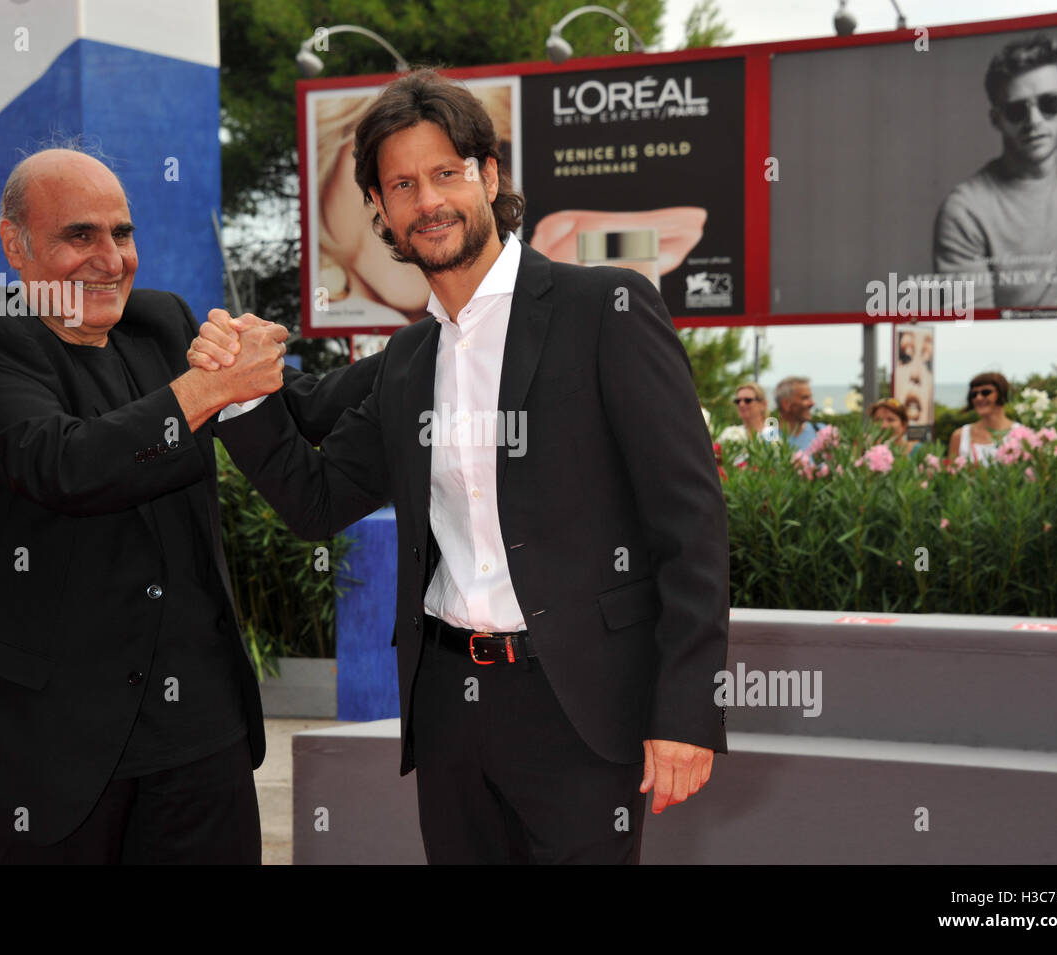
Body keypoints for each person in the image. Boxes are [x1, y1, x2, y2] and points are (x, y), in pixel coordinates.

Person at [193, 69, 729, 865]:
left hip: (578, 702)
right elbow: (317, 497)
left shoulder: (604, 310)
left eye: (447, 172)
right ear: (378, 207)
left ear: (490, 175)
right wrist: (234, 397)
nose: (428, 200)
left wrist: (687, 709)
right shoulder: (409, 359)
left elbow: (691, 523)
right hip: (449, 704)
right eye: (402, 183)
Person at [0, 145, 380, 864]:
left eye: (122, 233)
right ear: (14, 245)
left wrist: (443, 335)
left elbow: (299, 407)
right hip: (43, 743)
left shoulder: (163, 322)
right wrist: (208, 388)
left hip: (199, 736)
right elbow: (70, 464)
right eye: (79, 235)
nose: (111, 257)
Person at [933, 34, 1057, 308]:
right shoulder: (966, 210)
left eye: (1050, 104)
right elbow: (976, 330)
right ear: (996, 119)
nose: (1034, 122)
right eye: (1016, 110)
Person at [948, 372, 1016, 464]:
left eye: (986, 392)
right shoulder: (960, 436)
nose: (978, 398)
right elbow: (951, 475)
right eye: (974, 394)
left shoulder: (1020, 435)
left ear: (1002, 393)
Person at [775, 375, 819, 451]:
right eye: (805, 398)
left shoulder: (822, 433)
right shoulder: (767, 441)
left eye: (810, 397)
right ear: (786, 404)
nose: (812, 403)